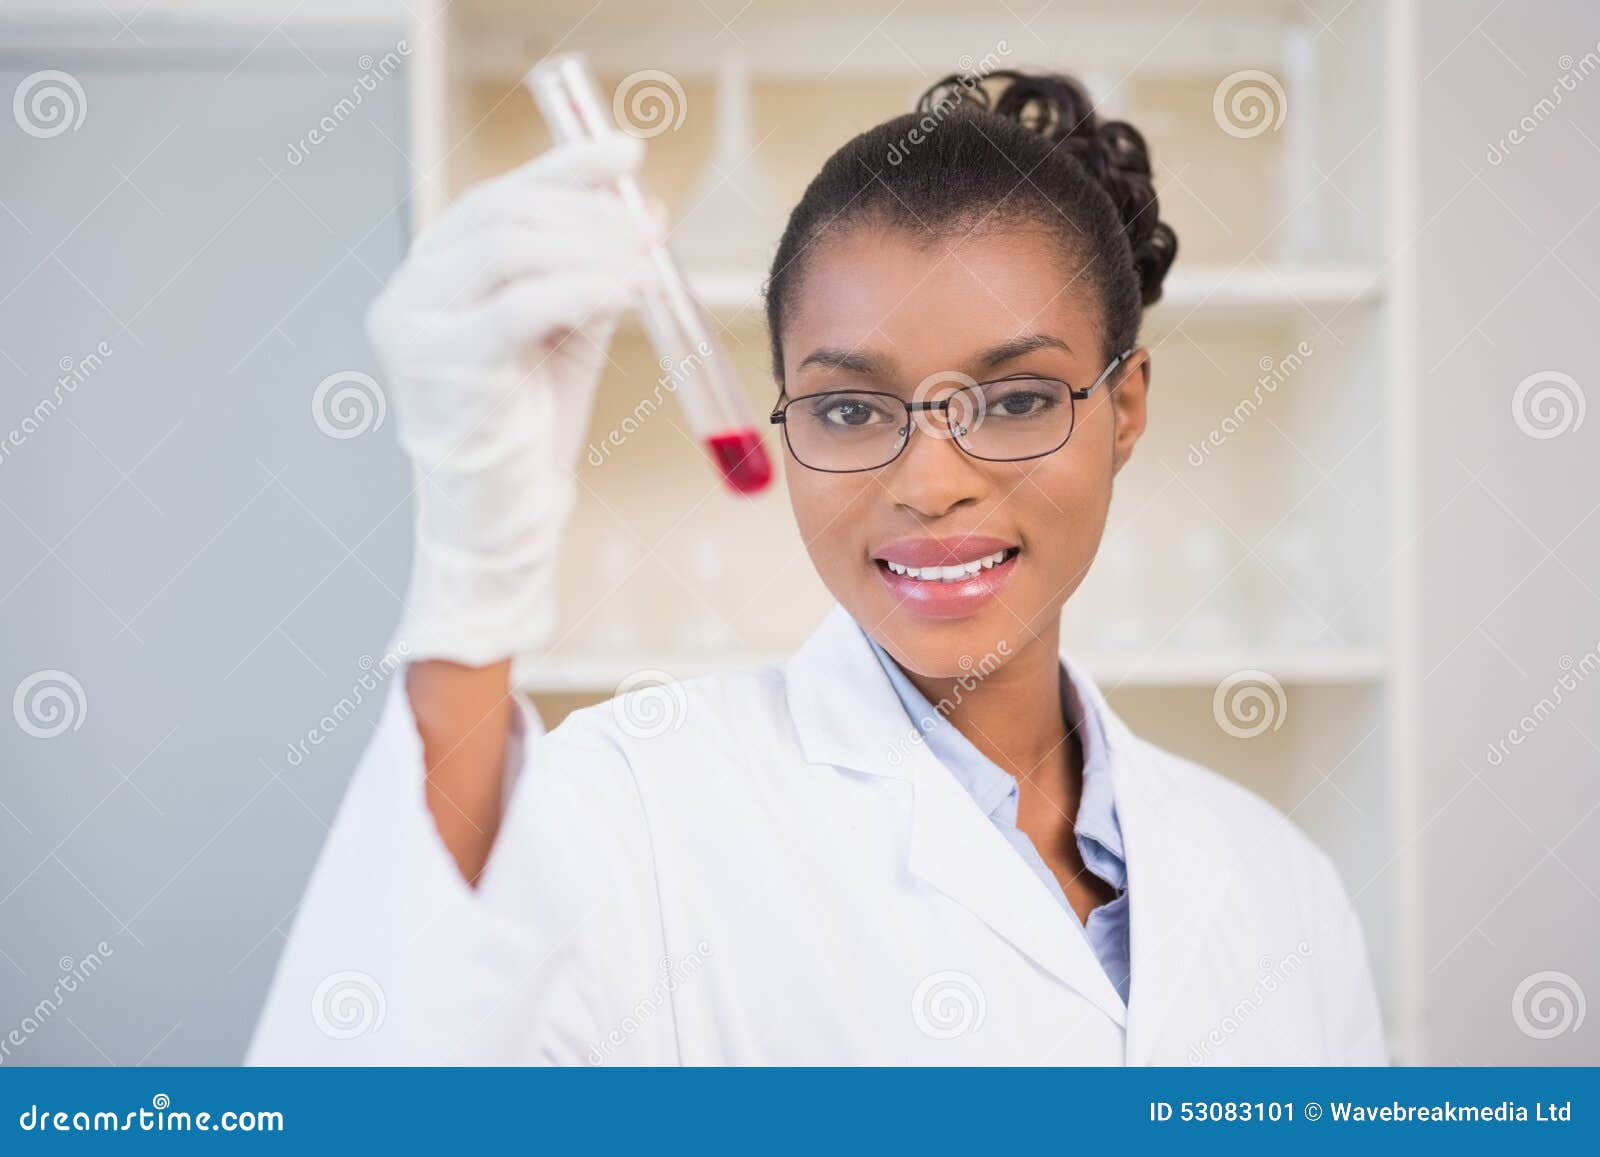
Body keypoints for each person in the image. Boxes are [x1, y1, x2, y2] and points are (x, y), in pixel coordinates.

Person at [248, 71, 1386, 1065]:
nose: (930, 482)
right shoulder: (632, 813)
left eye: (1016, 399)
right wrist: (470, 593)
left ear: (1124, 408)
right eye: (849, 408)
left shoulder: (1276, 882)